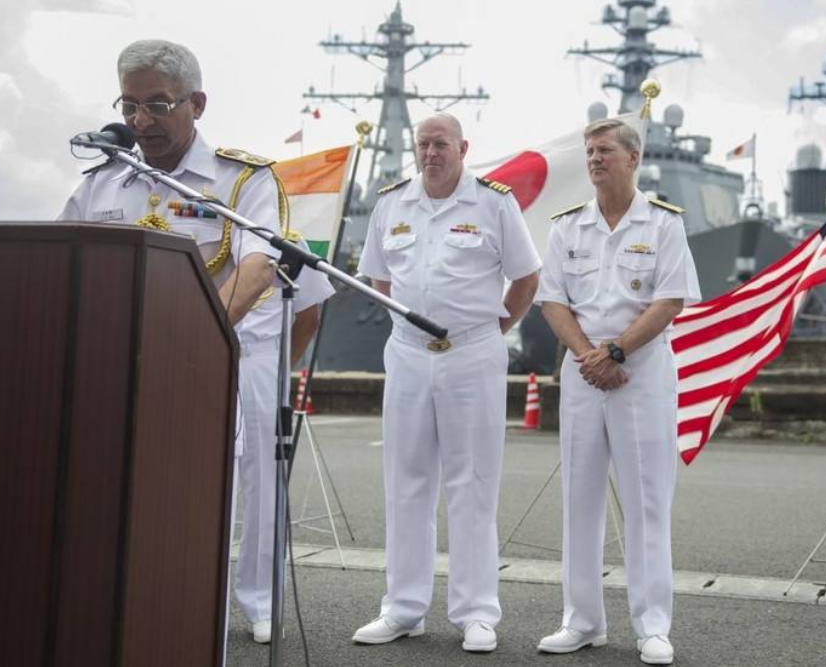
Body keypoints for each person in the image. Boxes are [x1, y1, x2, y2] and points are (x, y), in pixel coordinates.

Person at [59, 39, 334, 646]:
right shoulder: (106, 181)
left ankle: (258, 599)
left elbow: (260, 266)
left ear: (197, 104)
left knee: (258, 478)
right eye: (129, 105)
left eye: (157, 104)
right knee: (144, 478)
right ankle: (151, 587)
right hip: (134, 357)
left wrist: (199, 338)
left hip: (235, 350)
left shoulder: (242, 181)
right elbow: (63, 261)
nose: (139, 121)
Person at [352, 113, 541, 653]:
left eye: (441, 144)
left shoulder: (493, 202)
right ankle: (403, 608)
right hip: (409, 354)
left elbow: (526, 277)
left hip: (472, 356)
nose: (430, 153)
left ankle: (477, 612)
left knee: (473, 483)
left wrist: (493, 329)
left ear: (463, 147)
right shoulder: (392, 203)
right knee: (406, 483)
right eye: (423, 144)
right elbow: (378, 275)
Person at [534, 118, 699, 665]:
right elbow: (552, 301)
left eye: (604, 150)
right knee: (579, 500)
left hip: (642, 377)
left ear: (633, 158)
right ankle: (581, 621)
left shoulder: (664, 225)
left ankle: (652, 625)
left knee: (647, 502)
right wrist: (589, 355)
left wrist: (617, 352)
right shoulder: (567, 227)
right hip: (585, 374)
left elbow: (669, 299)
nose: (594, 159)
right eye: (589, 151)